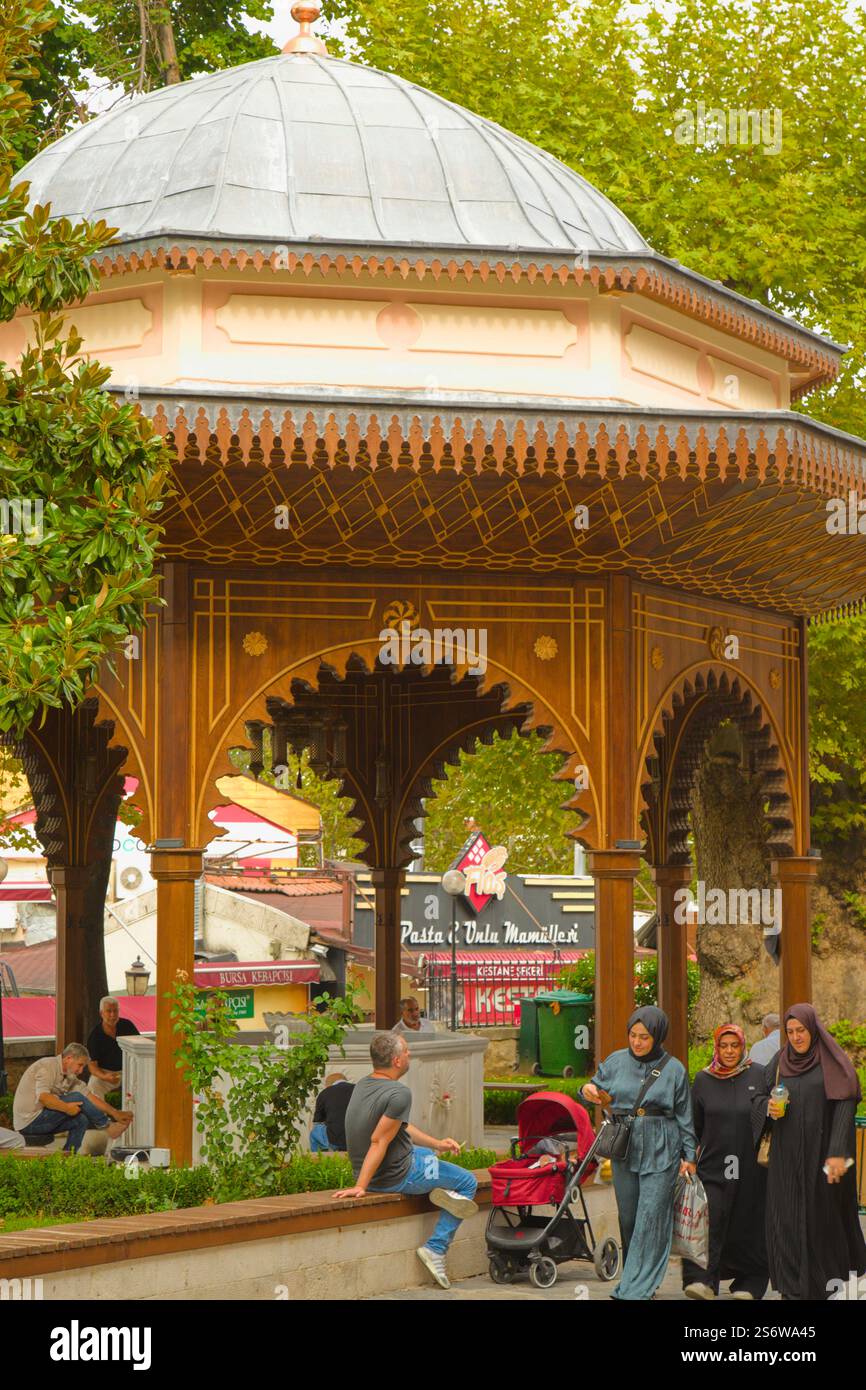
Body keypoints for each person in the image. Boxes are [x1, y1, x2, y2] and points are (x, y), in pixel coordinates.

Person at [333, 1031, 478, 1289]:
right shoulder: (399, 1093)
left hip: (390, 1166)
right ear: (398, 1060)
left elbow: (401, 1128)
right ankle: (436, 1248)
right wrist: (361, 1186)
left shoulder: (364, 1085)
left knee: (428, 1155)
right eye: (407, 1051)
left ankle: (440, 1183)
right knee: (467, 1181)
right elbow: (379, 1140)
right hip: (399, 1176)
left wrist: (438, 1143)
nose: (410, 1054)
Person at [582, 1005, 697, 1301]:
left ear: (657, 1036)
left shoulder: (674, 1069)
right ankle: (638, 1278)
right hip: (625, 1146)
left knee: (651, 1217)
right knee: (630, 1217)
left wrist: (690, 1156)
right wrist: (587, 1090)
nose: (637, 1042)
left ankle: (638, 1287)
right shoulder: (617, 1061)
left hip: (662, 1146)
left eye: (644, 1037)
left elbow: (685, 1115)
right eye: (633, 1035)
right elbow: (592, 1086)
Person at [753, 1002, 866, 1300]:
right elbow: (759, 1097)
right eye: (790, 1032)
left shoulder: (830, 1060)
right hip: (786, 1161)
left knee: (823, 1223)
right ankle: (792, 1290)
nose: (796, 1037)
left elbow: (845, 1104)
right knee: (785, 1223)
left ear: (813, 1028)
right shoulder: (779, 1062)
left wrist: (838, 1154)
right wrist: (767, 1108)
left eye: (801, 1030)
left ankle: (827, 1287)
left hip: (823, 1158)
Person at [682, 1024, 769, 1301]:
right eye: (724, 1046)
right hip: (713, 1165)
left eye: (734, 1046)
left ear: (742, 1046)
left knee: (748, 1223)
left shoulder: (759, 1074)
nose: (729, 1051)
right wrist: (688, 1159)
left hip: (751, 1166)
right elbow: (693, 1125)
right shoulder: (703, 1079)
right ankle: (702, 1281)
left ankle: (750, 1284)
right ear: (716, 1048)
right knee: (711, 1221)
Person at [13, 1043, 133, 1153]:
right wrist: (66, 1108)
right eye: (80, 1065)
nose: (80, 1071)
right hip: (28, 1123)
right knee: (75, 1097)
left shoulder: (69, 1076)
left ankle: (68, 1157)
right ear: (68, 1058)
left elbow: (89, 1096)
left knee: (81, 1120)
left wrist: (115, 1112)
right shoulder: (47, 1066)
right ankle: (108, 1127)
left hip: (42, 1118)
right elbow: (44, 1098)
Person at [85, 995, 140, 1101]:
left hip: (128, 1070)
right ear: (101, 1013)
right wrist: (105, 1076)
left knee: (145, 1079)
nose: (112, 1015)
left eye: (115, 1011)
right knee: (94, 1084)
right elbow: (92, 1066)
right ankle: (100, 1116)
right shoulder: (95, 1035)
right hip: (106, 1072)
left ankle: (135, 1114)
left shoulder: (127, 1025)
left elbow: (139, 1047)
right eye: (108, 1011)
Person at [310, 1073, 354, 1152]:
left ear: (328, 1085)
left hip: (335, 1141)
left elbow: (318, 1121)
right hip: (359, 1139)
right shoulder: (360, 1089)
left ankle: (317, 1159)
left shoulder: (325, 1093)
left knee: (316, 1130)